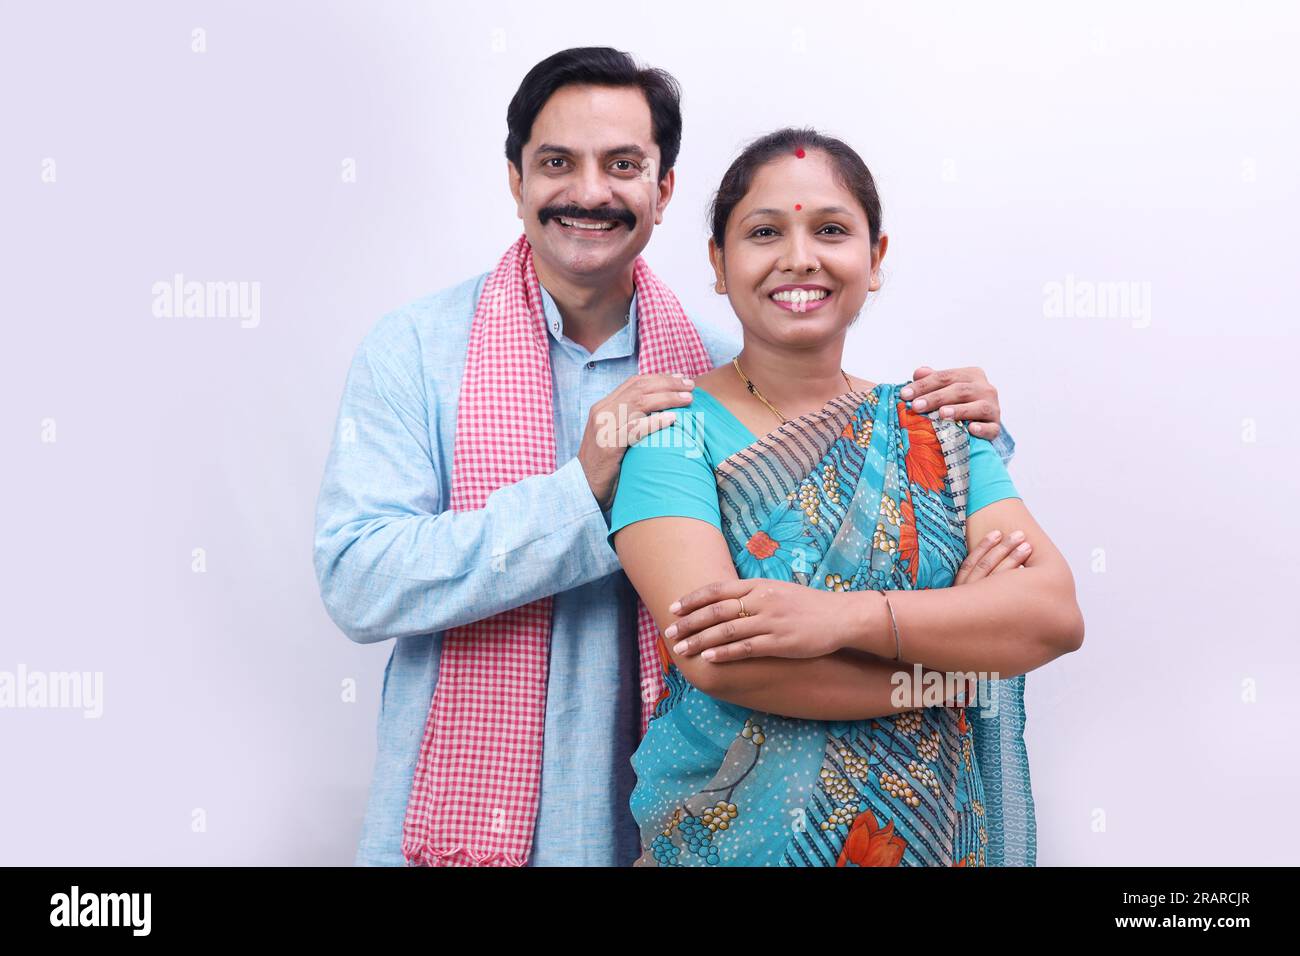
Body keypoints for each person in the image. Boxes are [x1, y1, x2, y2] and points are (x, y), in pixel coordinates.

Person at [313, 48, 1012, 868]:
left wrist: (967, 438)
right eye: (556, 164)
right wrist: (579, 495)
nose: (589, 192)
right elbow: (357, 579)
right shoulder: (419, 352)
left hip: (677, 829)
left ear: (663, 188)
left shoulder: (724, 373)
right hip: (457, 827)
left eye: (623, 165)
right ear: (515, 180)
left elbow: (840, 526)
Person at [608, 127, 1084, 867]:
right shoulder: (670, 435)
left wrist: (839, 618)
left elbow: (1051, 613)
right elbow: (719, 657)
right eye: (765, 232)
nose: (800, 257)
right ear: (718, 263)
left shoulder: (935, 427)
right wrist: (952, 671)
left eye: (830, 229)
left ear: (875, 258)